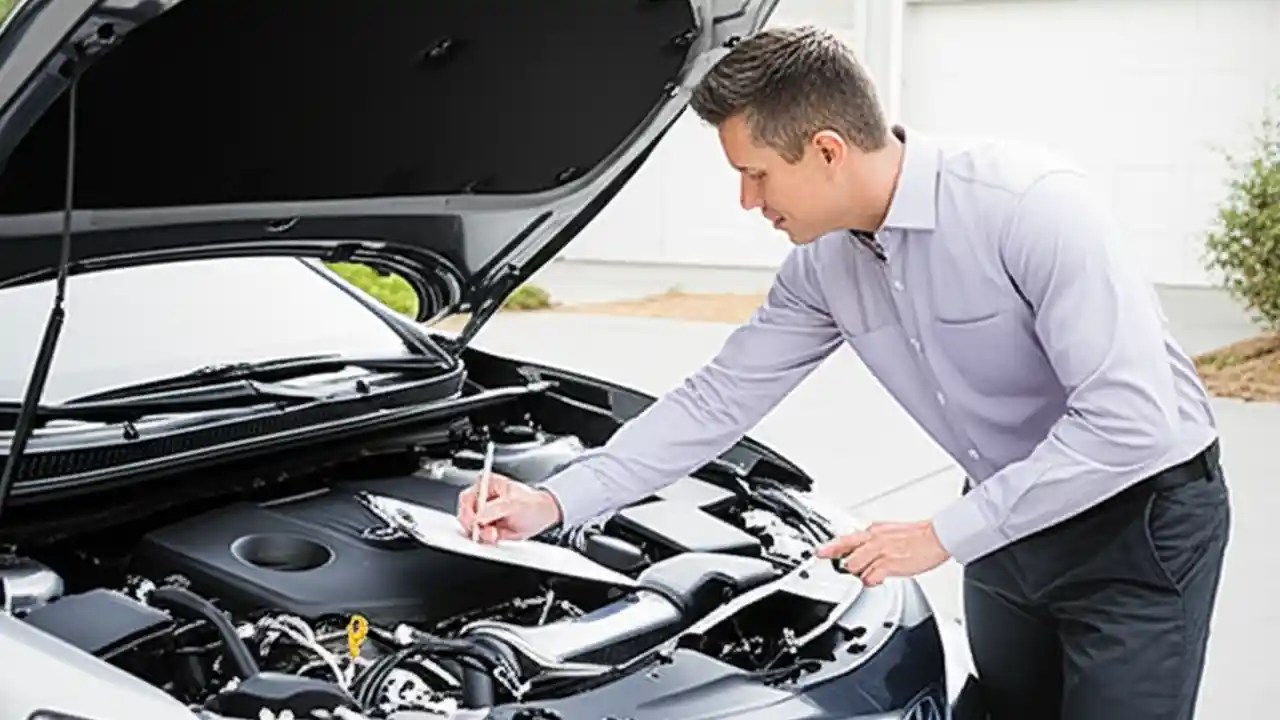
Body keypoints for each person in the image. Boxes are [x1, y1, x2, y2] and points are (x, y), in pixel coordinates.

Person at [455, 25, 1230, 720]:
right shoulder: (824, 263)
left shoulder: (1030, 207)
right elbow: (720, 398)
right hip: (1004, 515)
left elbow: (1130, 421)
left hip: (1136, 522)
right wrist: (558, 498)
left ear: (826, 150)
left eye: (756, 174)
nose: (745, 200)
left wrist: (941, 534)